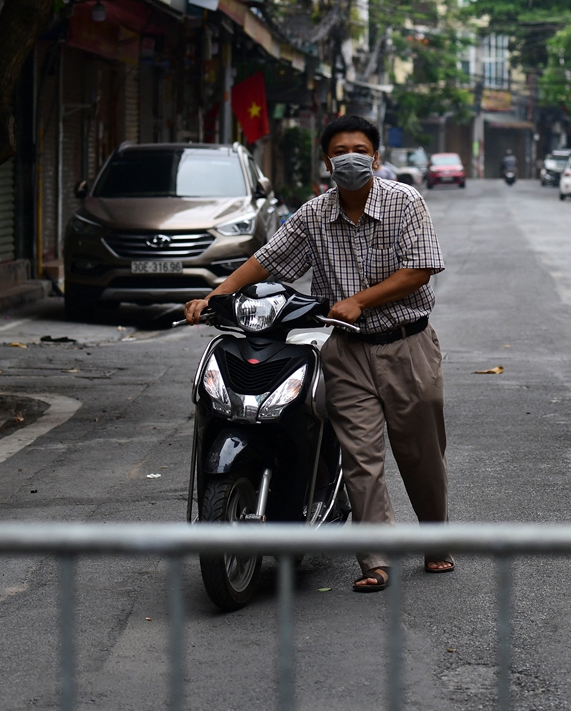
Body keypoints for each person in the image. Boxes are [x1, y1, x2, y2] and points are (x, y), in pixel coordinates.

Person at [184, 114, 454, 591]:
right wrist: (214, 297)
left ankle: (436, 541)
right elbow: (265, 260)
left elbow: (420, 269)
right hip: (345, 352)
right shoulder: (313, 215)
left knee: (420, 454)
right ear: (328, 161)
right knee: (359, 458)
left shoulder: (404, 202)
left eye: (359, 150)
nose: (350, 157)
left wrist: (359, 300)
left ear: (375, 157)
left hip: (407, 345)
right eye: (340, 151)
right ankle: (376, 560)